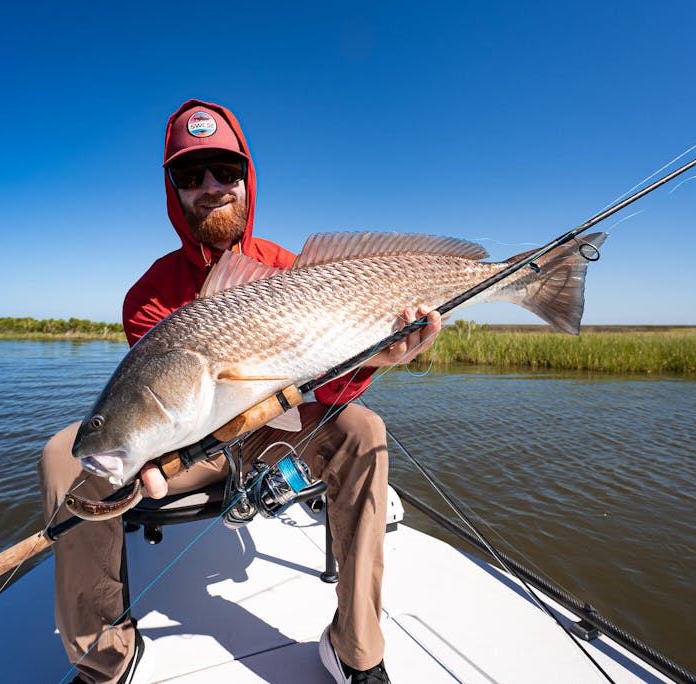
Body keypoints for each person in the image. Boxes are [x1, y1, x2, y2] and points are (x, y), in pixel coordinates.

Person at [38, 99, 441, 684]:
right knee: (63, 454)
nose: (211, 187)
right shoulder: (149, 294)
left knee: (364, 430)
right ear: (172, 190)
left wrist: (375, 360)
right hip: (194, 451)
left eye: (226, 171)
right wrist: (145, 454)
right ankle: (106, 658)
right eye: (189, 174)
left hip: (276, 437)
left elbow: (324, 392)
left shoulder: (289, 269)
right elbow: (159, 402)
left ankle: (356, 651)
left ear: (247, 179)